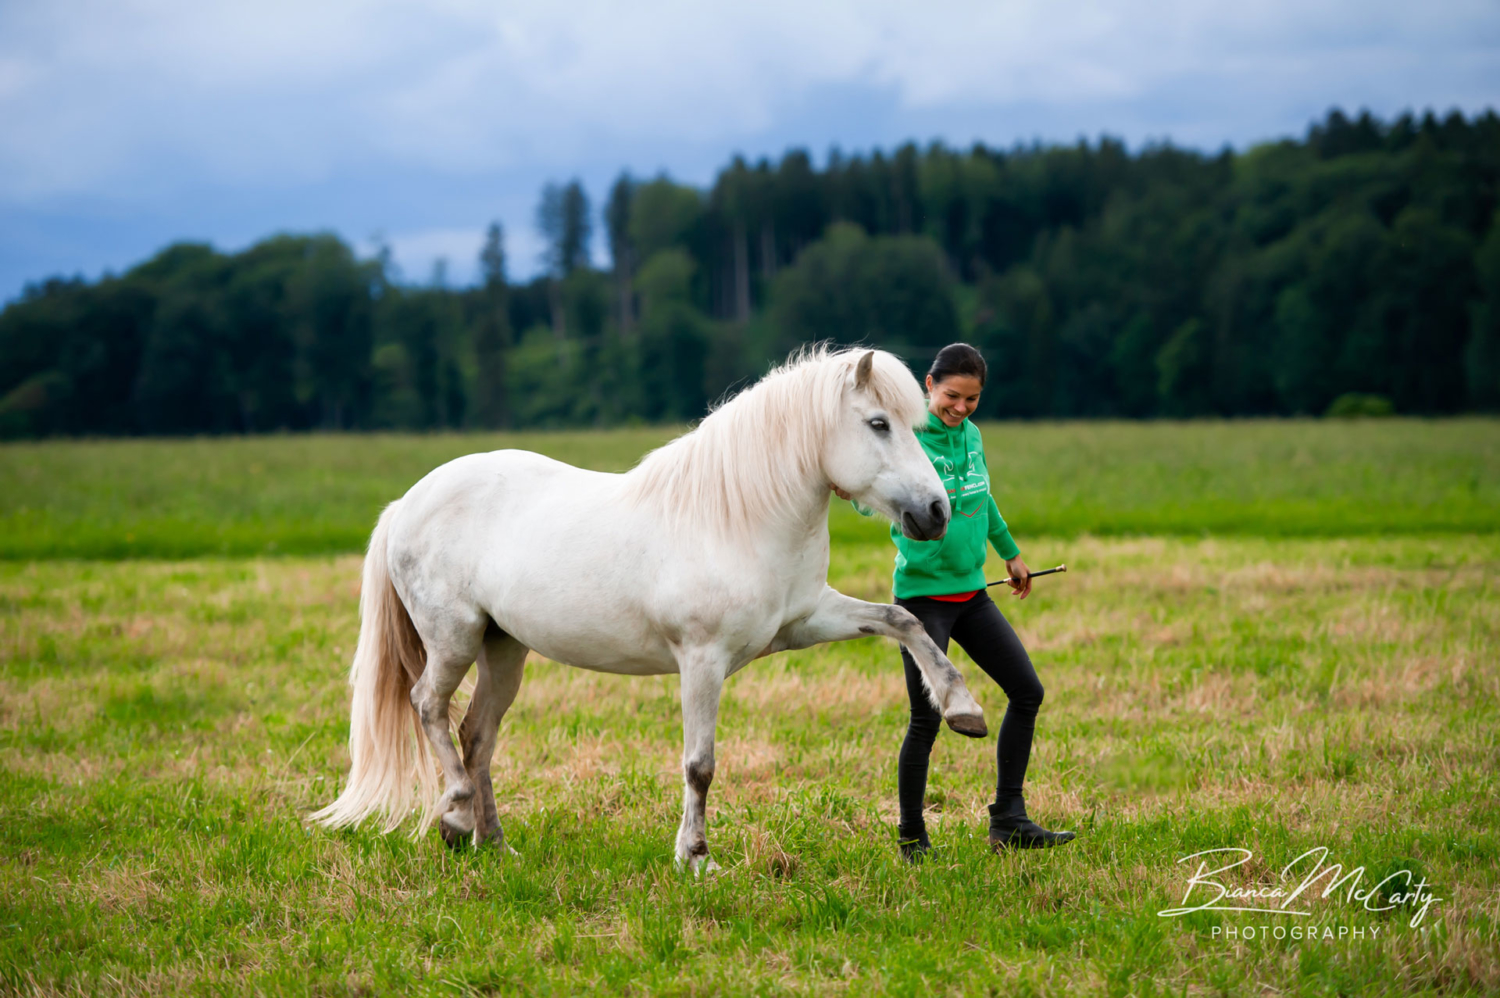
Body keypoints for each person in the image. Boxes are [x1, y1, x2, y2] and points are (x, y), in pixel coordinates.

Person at [834, 343, 1076, 861]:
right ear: (929, 386)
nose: (961, 407)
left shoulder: (972, 437)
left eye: (972, 399)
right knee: (925, 720)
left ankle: (1009, 819)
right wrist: (848, 491)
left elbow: (982, 496)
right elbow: (870, 491)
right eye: (952, 396)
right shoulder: (912, 439)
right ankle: (910, 836)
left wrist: (1010, 554)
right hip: (924, 603)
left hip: (971, 596)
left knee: (1026, 691)